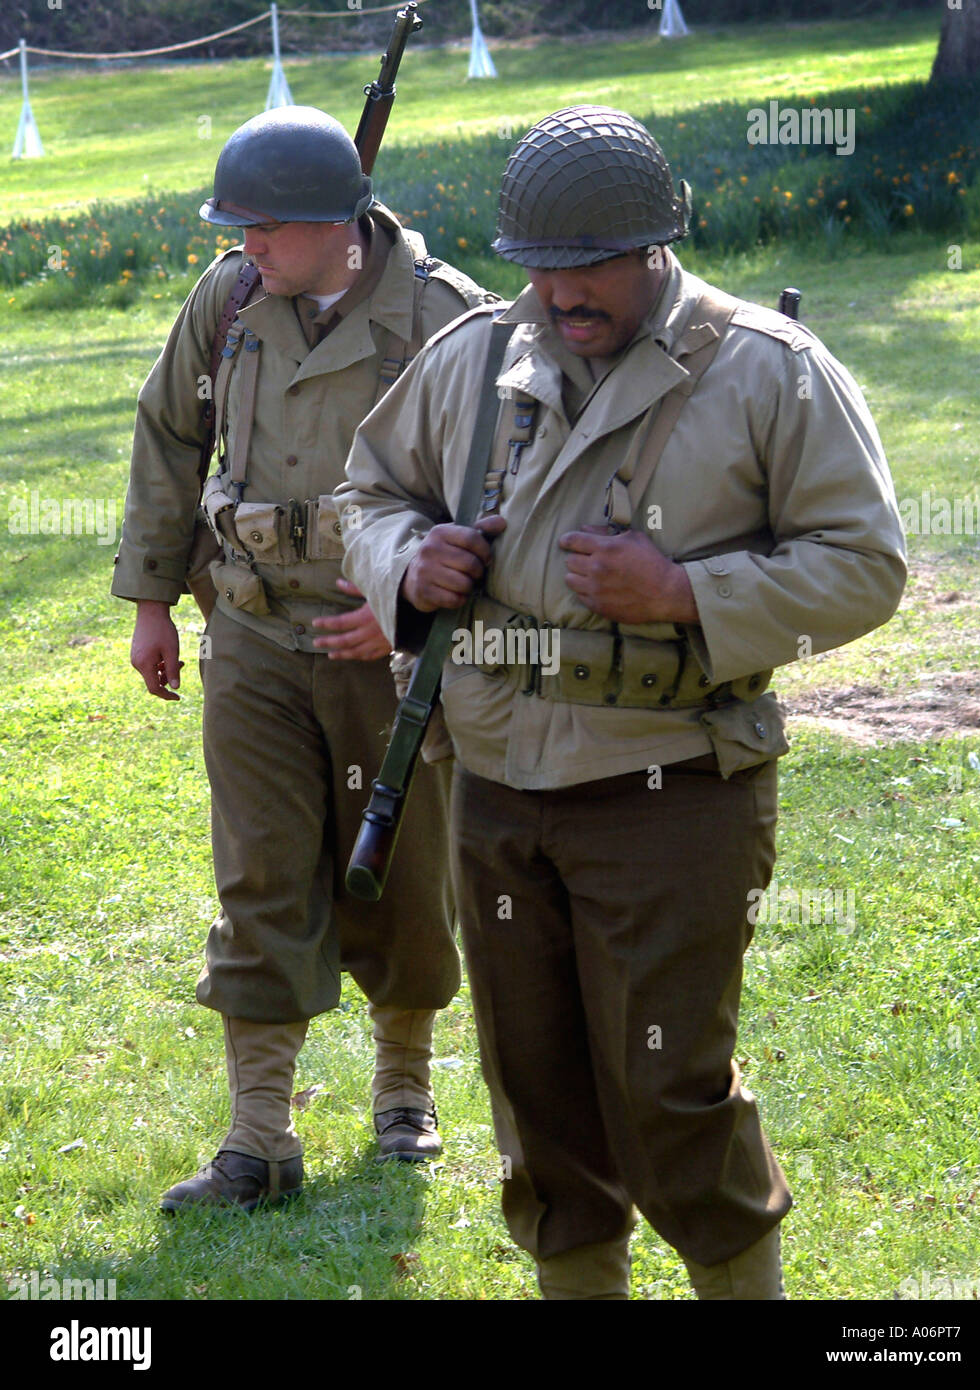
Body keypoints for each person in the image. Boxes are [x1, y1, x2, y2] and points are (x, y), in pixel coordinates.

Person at [339, 105, 907, 1298]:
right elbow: (367, 493)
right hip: (492, 784)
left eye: (590, 265)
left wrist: (688, 592)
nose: (559, 295)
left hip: (673, 785)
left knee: (670, 1098)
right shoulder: (476, 360)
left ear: (657, 246)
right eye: (539, 269)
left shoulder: (764, 370)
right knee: (537, 1102)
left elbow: (865, 567)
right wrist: (408, 563)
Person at [112, 106, 496, 1211]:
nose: (247, 248)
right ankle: (258, 1136)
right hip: (250, 628)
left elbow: (498, 495)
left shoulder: (446, 318)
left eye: (266, 229)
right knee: (260, 868)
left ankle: (404, 1090)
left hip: (390, 654)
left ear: (339, 223)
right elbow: (170, 435)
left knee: (407, 867)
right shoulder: (230, 301)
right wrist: (150, 601)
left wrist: (411, 611)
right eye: (238, 229)